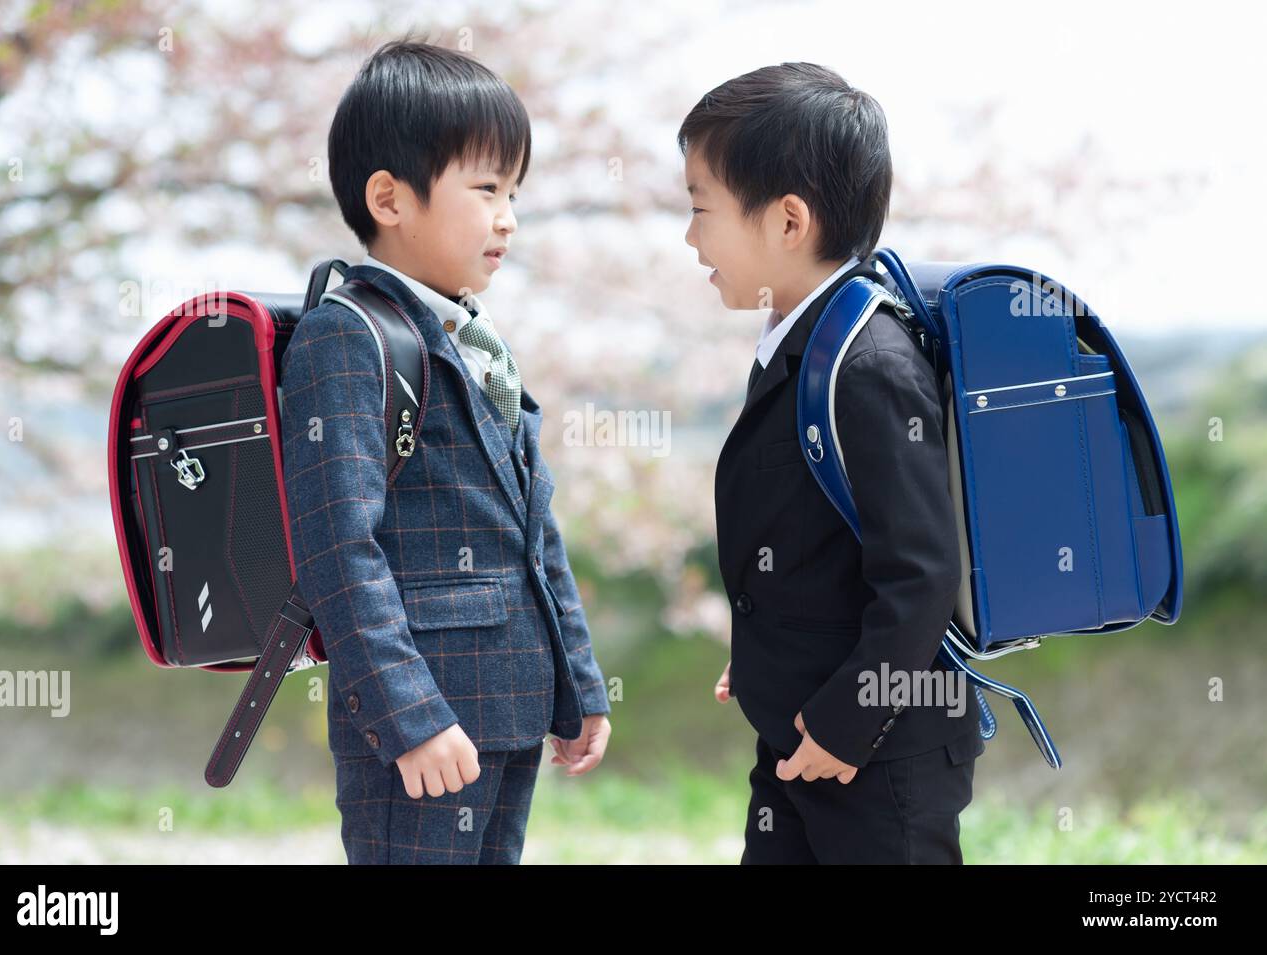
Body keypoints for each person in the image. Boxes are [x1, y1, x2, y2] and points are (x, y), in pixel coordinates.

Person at [280, 37, 611, 865]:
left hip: (510, 709)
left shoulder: (476, 338)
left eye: (515, 192)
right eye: (487, 188)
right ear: (390, 198)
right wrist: (409, 715)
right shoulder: (345, 335)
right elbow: (337, 547)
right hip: (422, 725)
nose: (508, 217)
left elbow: (535, 528)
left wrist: (578, 684)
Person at [681, 62, 985, 864]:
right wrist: (767, 649)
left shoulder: (867, 360)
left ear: (788, 221)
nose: (690, 237)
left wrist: (849, 721)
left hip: (878, 755)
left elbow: (921, 572)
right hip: (802, 734)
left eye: (701, 208)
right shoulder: (806, 342)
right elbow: (816, 537)